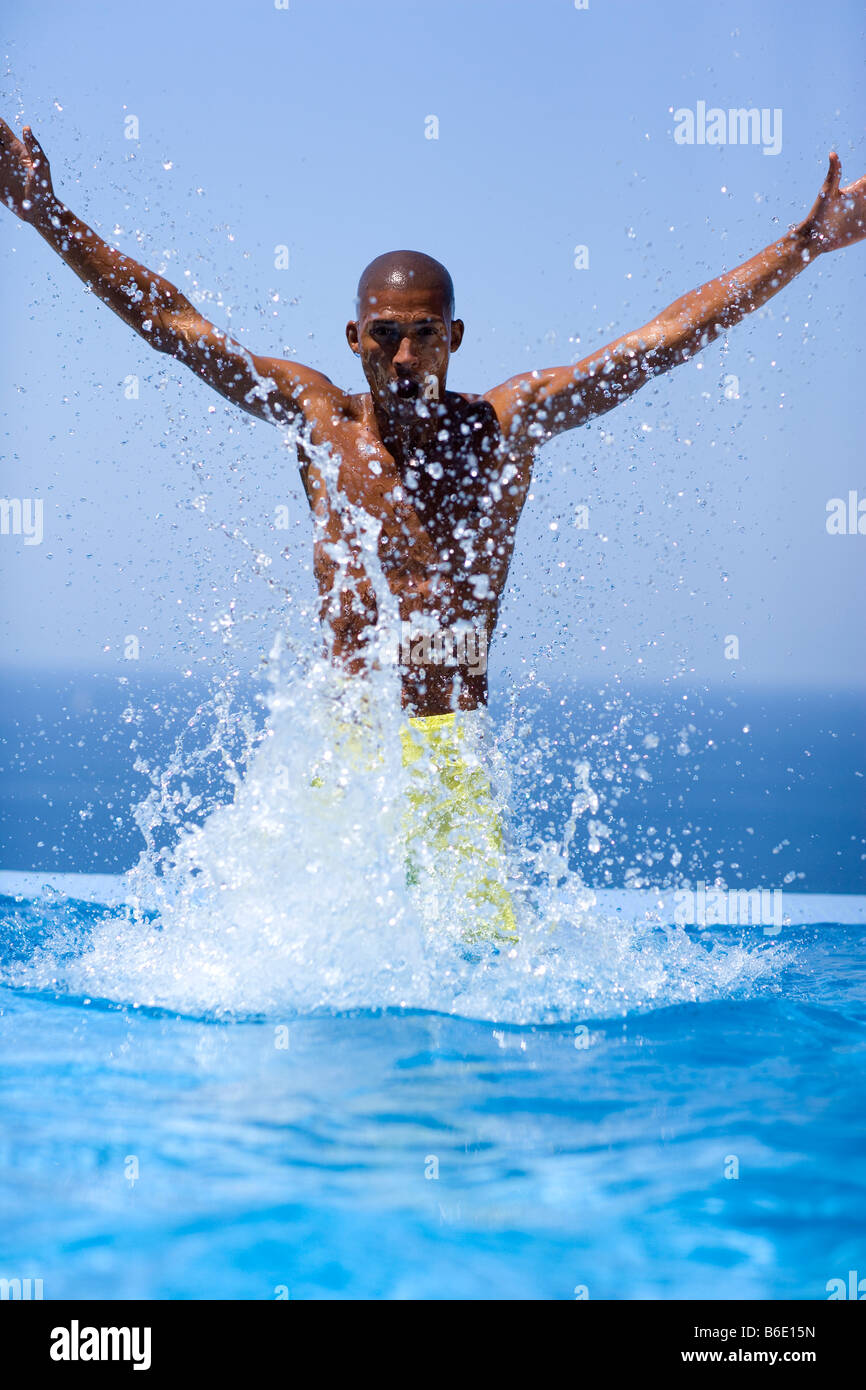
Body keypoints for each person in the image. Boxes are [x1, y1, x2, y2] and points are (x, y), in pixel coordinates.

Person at [2, 120, 863, 941]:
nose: (405, 358)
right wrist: (46, 214)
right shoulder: (321, 419)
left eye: (424, 337)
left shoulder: (505, 426)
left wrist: (804, 244)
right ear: (354, 337)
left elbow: (661, 342)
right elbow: (176, 329)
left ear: (454, 337)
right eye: (386, 336)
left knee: (475, 965)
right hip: (339, 749)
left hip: (450, 748)